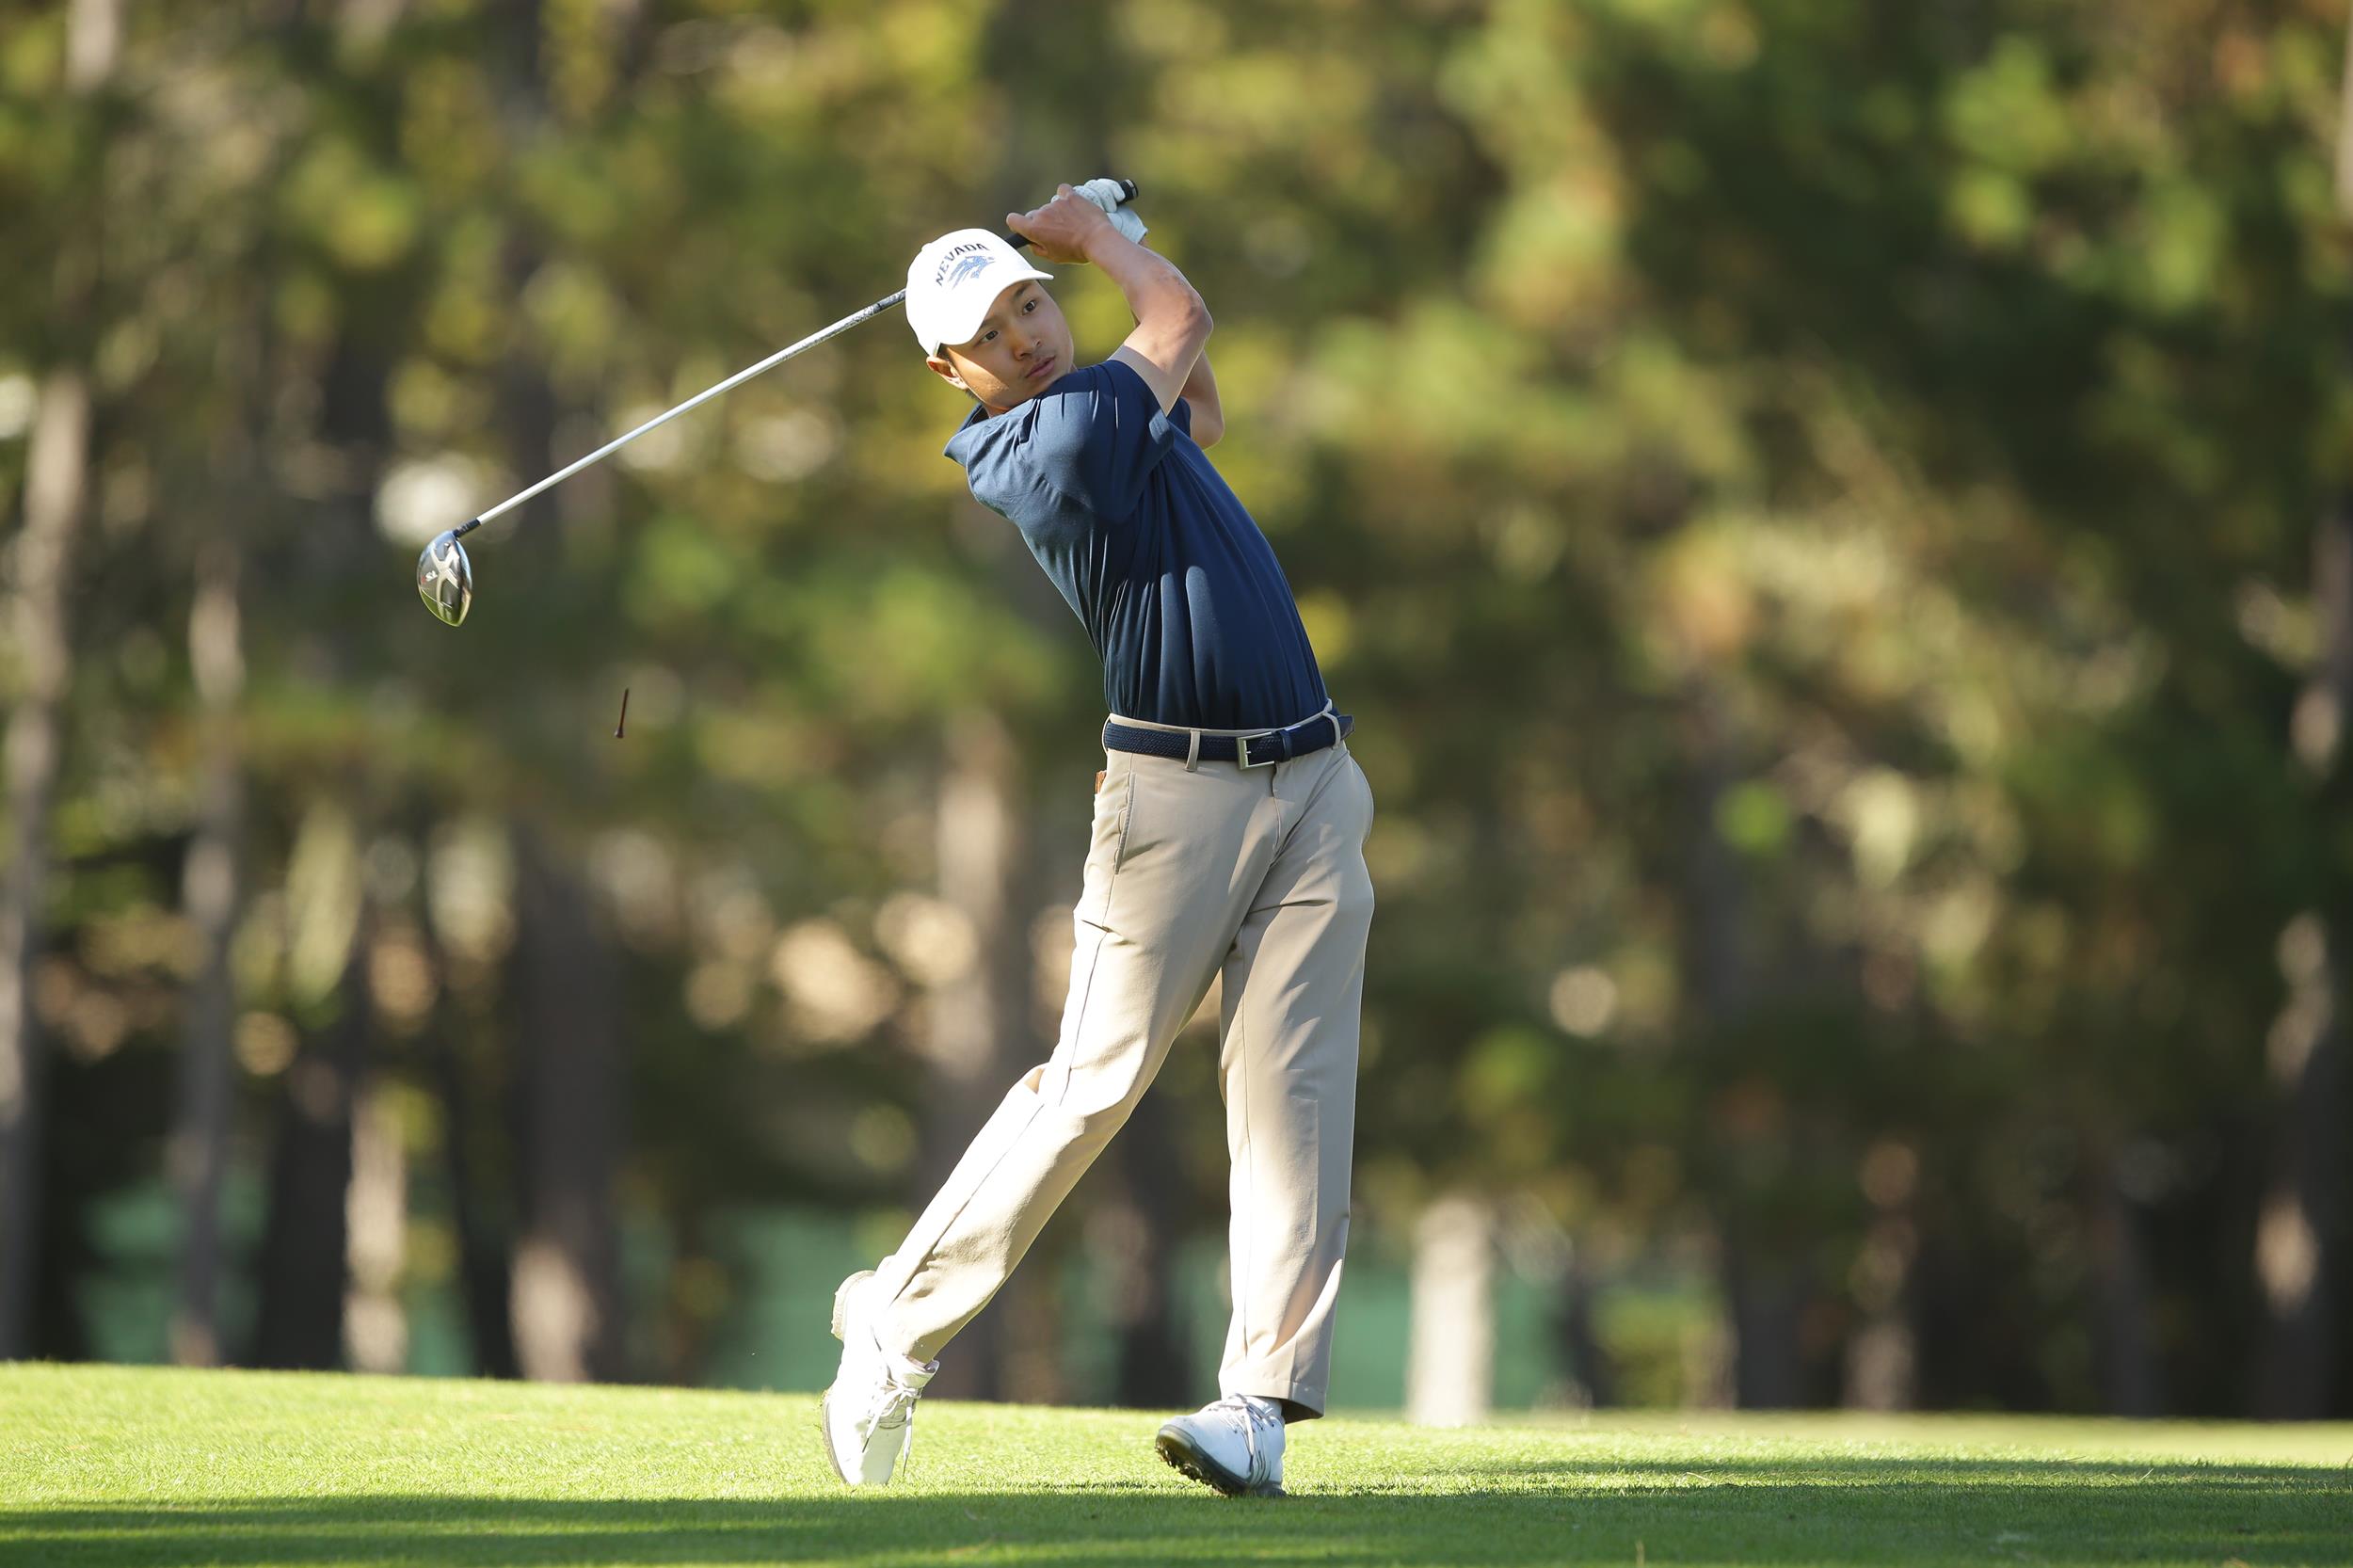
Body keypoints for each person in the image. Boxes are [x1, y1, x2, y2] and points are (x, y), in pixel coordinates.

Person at [821, 181, 1375, 1499]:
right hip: (1173, 803)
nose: (1025, 333)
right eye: (991, 328)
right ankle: (892, 1327)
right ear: (948, 370)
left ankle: (1259, 1407)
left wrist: (1099, 258)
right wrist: (1100, 238)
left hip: (1313, 774)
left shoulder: (1111, 405)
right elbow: (1179, 313)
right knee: (1094, 1081)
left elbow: (1204, 396)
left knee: (1296, 1096)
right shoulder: (1042, 447)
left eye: (1031, 302)